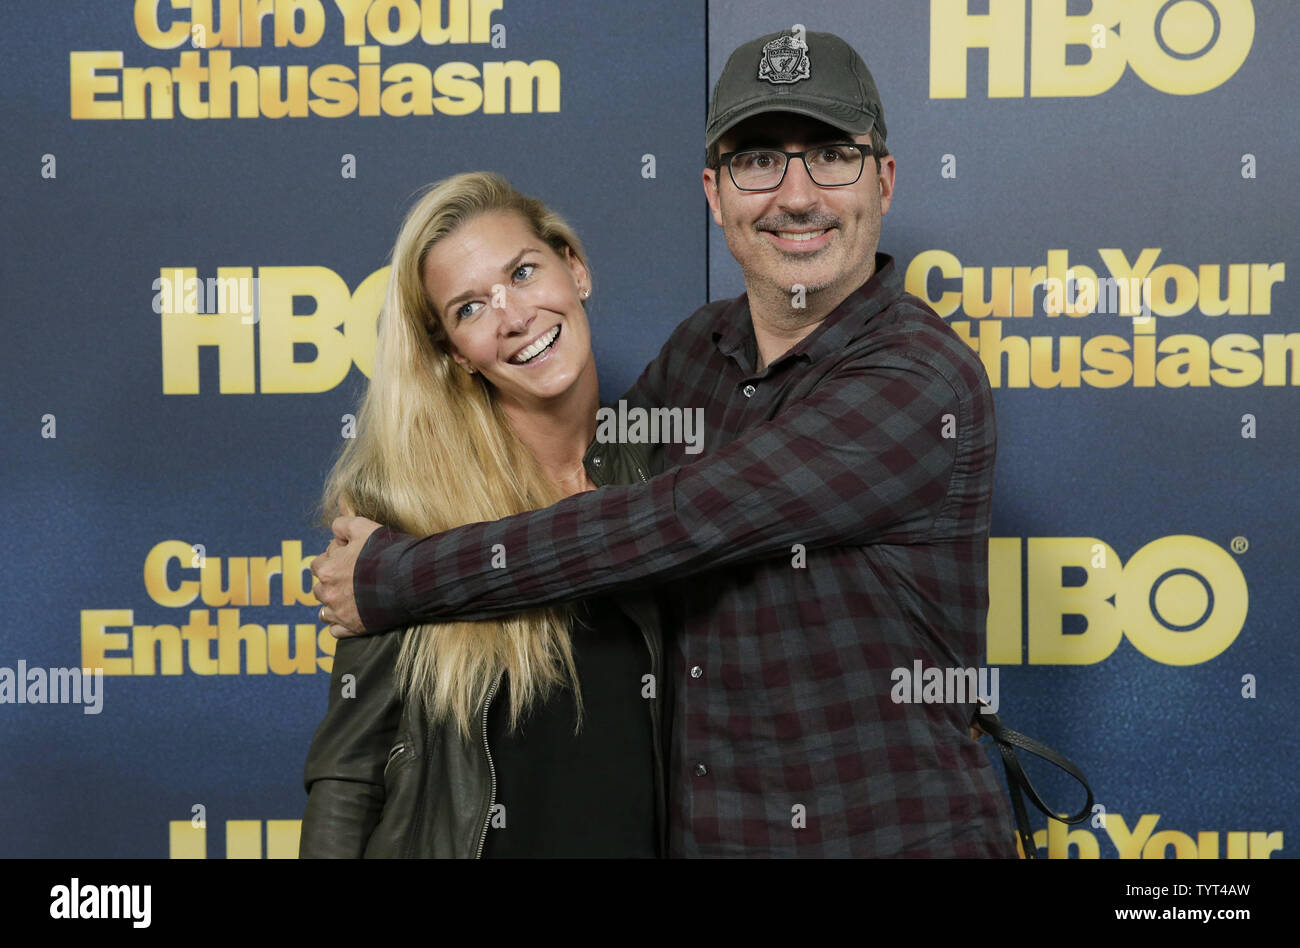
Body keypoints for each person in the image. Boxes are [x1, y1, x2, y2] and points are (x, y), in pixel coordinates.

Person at [313, 30, 1020, 857]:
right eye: (759, 162)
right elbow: (578, 484)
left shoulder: (921, 376)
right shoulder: (699, 353)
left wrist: (397, 575)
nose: (797, 195)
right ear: (716, 195)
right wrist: (428, 487)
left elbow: (672, 520)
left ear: (885, 181)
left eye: (832, 156)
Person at [300, 172, 669, 858]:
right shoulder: (405, 513)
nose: (514, 317)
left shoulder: (665, 471)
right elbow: (348, 776)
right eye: (470, 308)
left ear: (576, 268)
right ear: (452, 354)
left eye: (524, 272)